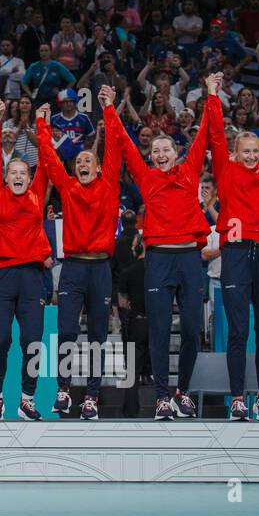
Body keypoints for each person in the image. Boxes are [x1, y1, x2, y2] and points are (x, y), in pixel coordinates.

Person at [105, 83, 213, 421]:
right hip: (159, 260)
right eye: (155, 150)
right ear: (151, 156)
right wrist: (110, 108)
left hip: (189, 259)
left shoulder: (190, 171)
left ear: (176, 152)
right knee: (160, 329)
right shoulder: (146, 177)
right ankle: (163, 397)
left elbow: (207, 132)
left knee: (193, 329)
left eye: (166, 148)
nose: (161, 153)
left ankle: (181, 391)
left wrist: (210, 95)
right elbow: (122, 143)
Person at [206, 74, 259, 421]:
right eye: (247, 151)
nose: (253, 155)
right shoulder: (225, 170)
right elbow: (214, 134)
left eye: (256, 150)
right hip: (237, 254)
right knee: (239, 330)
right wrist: (213, 94)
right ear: (235, 153)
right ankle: (238, 397)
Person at [36, 85, 122, 421]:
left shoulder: (109, 186)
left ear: (99, 168)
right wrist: (42, 123)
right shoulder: (68, 187)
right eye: (79, 161)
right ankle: (63, 389)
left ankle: (92, 396)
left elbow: (114, 147)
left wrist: (109, 109)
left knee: (98, 334)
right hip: (72, 267)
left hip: (100, 268)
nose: (83, 163)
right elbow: (48, 155)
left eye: (89, 160)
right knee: (68, 330)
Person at [0, 97, 50, 421]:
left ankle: (27, 398)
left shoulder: (38, 192)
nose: (19, 176)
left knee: (32, 342)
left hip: (33, 276)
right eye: (14, 172)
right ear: (6, 177)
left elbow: (48, 161)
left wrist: (42, 124)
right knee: (0, 340)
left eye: (24, 172)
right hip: (1, 273)